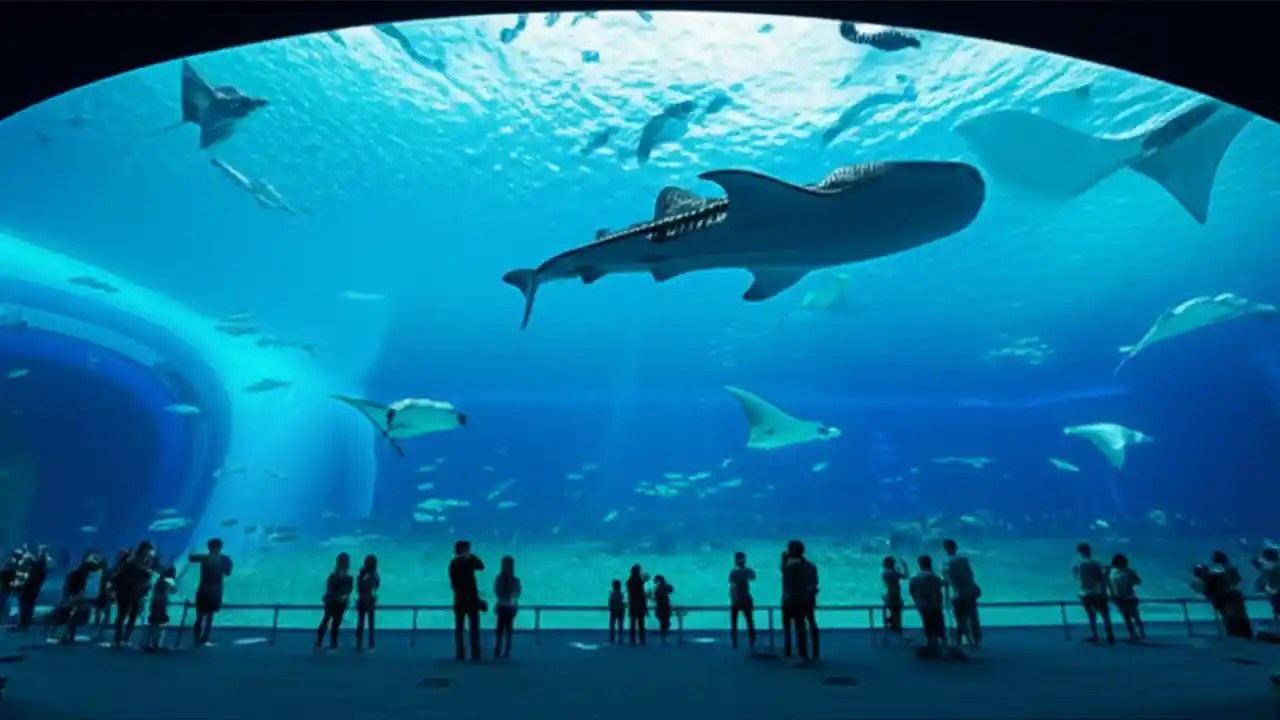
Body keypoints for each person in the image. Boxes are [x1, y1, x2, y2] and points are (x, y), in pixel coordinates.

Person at [188, 538, 232, 646]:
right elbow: (228, 572)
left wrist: (192, 551)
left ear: (209, 547)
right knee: (210, 615)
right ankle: (205, 638)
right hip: (215, 590)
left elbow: (191, 558)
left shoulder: (204, 558)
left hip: (203, 588)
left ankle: (196, 637)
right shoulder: (224, 559)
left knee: (200, 615)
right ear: (220, 547)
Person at [448, 540, 486, 661]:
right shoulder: (467, 562)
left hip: (459, 599)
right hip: (471, 599)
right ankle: (475, 653)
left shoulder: (453, 563)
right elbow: (481, 566)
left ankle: (460, 653)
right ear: (464, 550)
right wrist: (471, 557)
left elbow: (453, 581)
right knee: (474, 628)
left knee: (459, 628)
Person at [941, 539, 983, 648]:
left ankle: (963, 639)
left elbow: (947, 579)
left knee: (961, 617)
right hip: (971, 590)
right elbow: (970, 575)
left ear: (946, 549)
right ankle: (975, 639)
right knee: (973, 615)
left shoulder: (948, 563)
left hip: (960, 593)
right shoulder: (964, 560)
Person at [783, 540, 820, 661]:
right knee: (812, 623)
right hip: (809, 599)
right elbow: (814, 583)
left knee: (798, 626)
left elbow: (787, 584)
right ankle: (815, 651)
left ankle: (800, 653)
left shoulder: (790, 567)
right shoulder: (811, 566)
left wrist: (785, 564)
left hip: (794, 601)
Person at [113, 541, 155, 647]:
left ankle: (125, 637)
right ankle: (118, 637)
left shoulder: (147, 562)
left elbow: (146, 577)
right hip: (124, 590)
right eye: (146, 552)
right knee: (122, 613)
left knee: (133, 615)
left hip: (137, 592)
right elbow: (124, 571)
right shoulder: (131, 560)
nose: (147, 555)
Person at [1073, 542, 1114, 645]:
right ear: (1088, 551)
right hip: (1098, 593)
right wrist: (1107, 572)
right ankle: (1110, 635)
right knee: (1105, 615)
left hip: (1085, 593)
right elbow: (1101, 578)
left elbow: (1078, 578)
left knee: (1091, 615)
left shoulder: (1076, 565)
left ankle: (1095, 635)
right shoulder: (1094, 563)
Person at [55, 551, 100, 644]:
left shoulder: (84, 572)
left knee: (73, 616)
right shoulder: (79, 572)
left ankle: (67, 635)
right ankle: (67, 636)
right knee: (72, 615)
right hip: (75, 595)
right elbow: (70, 585)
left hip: (77, 595)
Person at [316, 552, 353, 651]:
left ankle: (321, 643)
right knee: (333, 622)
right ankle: (331, 643)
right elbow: (348, 590)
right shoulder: (347, 577)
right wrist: (343, 597)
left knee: (329, 621)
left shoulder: (334, 576)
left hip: (333, 602)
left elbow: (330, 589)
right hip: (336, 602)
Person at [910, 555, 946, 648]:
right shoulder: (935, 578)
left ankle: (931, 642)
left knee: (927, 623)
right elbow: (942, 586)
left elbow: (912, 591)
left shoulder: (915, 579)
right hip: (935, 605)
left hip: (923, 605)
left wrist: (917, 602)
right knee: (938, 623)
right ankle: (941, 641)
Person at [1108, 554, 1145, 641]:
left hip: (1129, 597)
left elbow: (1138, 581)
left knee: (1135, 616)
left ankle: (1140, 632)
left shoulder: (1129, 572)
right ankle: (1132, 634)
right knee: (1126, 617)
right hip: (1118, 598)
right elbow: (1109, 584)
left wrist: (1131, 581)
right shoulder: (1111, 572)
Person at [492, 555, 521, 658]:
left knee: (500, 629)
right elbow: (517, 593)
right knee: (508, 629)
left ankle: (498, 649)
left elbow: (497, 592)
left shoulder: (499, 579)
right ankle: (507, 650)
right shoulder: (515, 580)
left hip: (502, 606)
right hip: (510, 607)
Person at [16, 545, 50, 631]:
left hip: (29, 589)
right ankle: (25, 624)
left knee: (25, 606)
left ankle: (24, 624)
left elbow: (32, 577)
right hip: (32, 590)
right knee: (28, 606)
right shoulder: (41, 566)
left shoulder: (37, 566)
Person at [144, 565, 177, 652]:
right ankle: (158, 644)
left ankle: (149, 643)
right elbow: (174, 590)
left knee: (153, 622)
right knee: (162, 624)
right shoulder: (170, 580)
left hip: (154, 602)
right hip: (162, 603)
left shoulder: (158, 579)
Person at [728, 552, 756, 650]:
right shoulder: (747, 570)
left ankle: (735, 641)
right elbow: (753, 577)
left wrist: (732, 598)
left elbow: (732, 586)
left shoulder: (734, 572)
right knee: (749, 620)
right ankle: (751, 640)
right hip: (745, 598)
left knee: (735, 621)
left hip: (737, 599)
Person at [355, 554, 380, 653]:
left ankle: (360, 644)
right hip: (368, 600)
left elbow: (359, 587)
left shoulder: (364, 573)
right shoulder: (373, 574)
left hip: (363, 600)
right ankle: (370, 645)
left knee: (362, 623)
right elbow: (376, 585)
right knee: (369, 623)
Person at [881, 556, 908, 642]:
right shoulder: (893, 574)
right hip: (895, 597)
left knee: (893, 616)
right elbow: (906, 576)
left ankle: (889, 636)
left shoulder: (885, 574)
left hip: (889, 596)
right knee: (897, 617)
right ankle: (897, 635)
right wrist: (905, 566)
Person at [1251, 547, 1280, 623]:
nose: (1263, 563)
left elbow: (1274, 589)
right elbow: (1255, 562)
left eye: (1264, 561)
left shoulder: (1275, 570)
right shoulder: (1267, 570)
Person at [625, 564, 649, 646]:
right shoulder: (638, 581)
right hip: (639, 605)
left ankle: (633, 640)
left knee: (633, 623)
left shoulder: (629, 581)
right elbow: (641, 595)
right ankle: (641, 640)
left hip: (633, 605)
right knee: (640, 624)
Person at [779, 550, 795, 657]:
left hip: (787, 600)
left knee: (787, 627)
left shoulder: (786, 569)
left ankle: (788, 649)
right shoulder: (792, 569)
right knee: (798, 625)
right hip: (795, 600)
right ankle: (800, 649)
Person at [652, 574, 675, 644]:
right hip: (664, 606)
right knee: (665, 621)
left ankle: (664, 636)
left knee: (663, 622)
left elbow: (656, 597)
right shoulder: (664, 586)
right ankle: (664, 635)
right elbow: (671, 589)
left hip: (662, 606)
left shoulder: (659, 587)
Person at [0, 550, 20, 628]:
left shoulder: (9, 564)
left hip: (8, 588)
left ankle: (6, 621)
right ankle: (6, 621)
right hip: (6, 588)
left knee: (6, 605)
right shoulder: (11, 564)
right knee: (5, 605)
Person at [607, 579, 625, 643]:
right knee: (619, 625)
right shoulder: (621, 594)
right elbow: (622, 603)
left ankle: (613, 638)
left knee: (613, 625)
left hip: (615, 610)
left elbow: (611, 603)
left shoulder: (613, 594)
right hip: (619, 610)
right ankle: (619, 638)